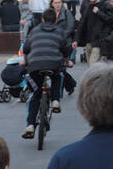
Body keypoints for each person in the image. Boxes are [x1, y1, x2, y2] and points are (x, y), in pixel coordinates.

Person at [21, 8, 74, 139]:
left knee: (36, 94)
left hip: (35, 65)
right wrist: (67, 61)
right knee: (57, 76)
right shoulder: (60, 31)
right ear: (55, 19)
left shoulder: (34, 31)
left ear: (43, 19)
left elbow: (26, 48)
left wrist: (25, 61)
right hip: (54, 64)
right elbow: (66, 49)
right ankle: (56, 100)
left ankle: (30, 126)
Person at [74, 0, 113, 65]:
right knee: (91, 68)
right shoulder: (87, 7)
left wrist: (99, 13)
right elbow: (82, 25)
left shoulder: (105, 5)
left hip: (100, 41)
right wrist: (76, 40)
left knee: (93, 67)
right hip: (88, 42)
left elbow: (111, 20)